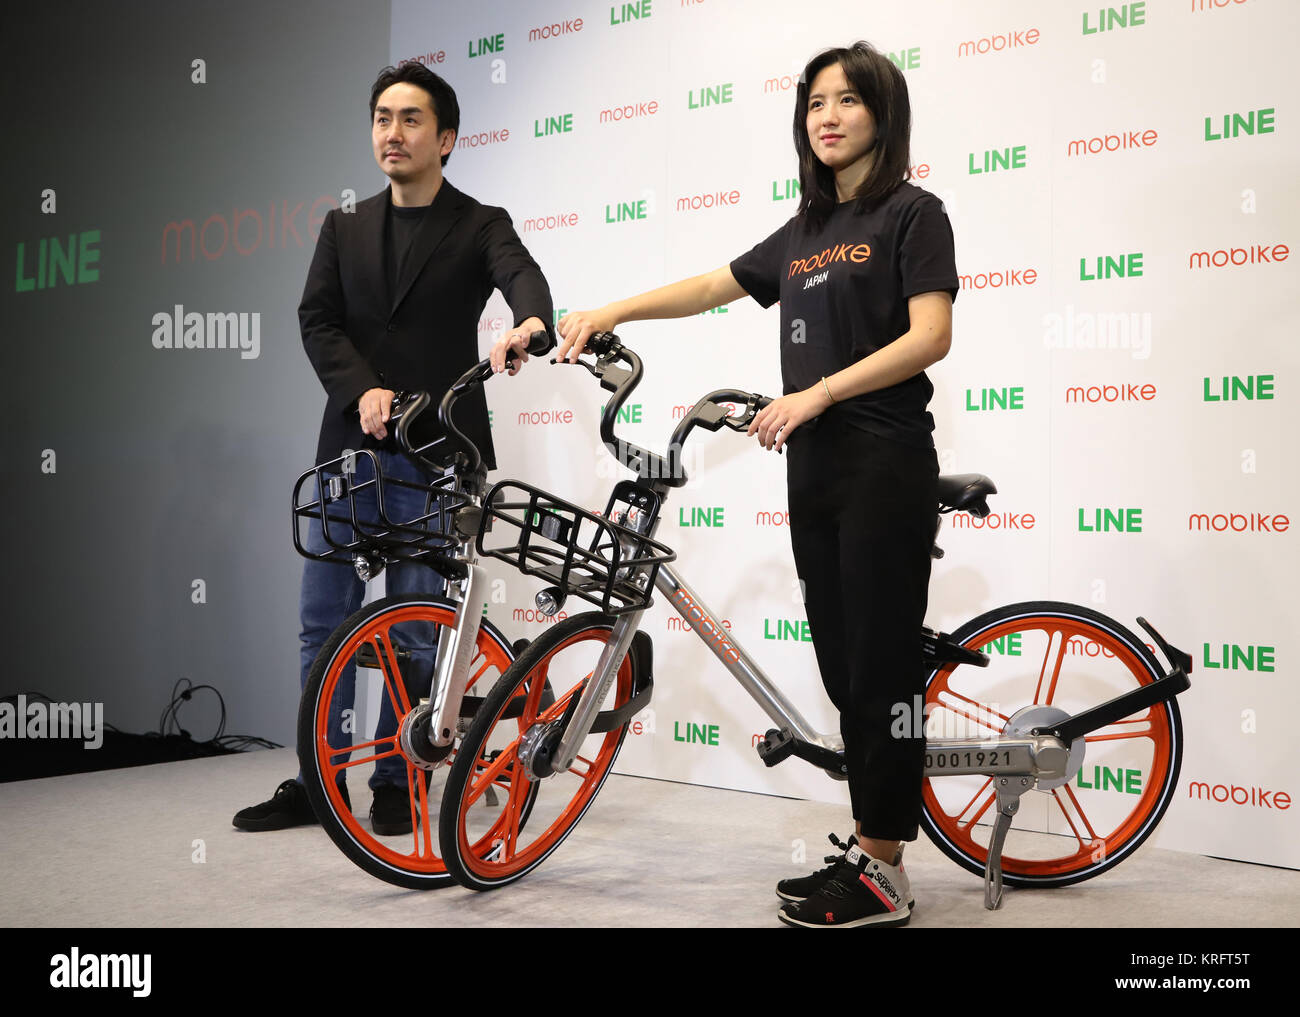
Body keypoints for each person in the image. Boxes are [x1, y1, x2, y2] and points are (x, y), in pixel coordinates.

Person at [539, 41, 956, 928]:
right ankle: (868, 839)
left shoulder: (913, 215)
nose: (827, 116)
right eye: (813, 104)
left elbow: (930, 337)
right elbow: (708, 286)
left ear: (884, 112)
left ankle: (885, 871)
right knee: (846, 670)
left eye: (846, 100)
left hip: (884, 463)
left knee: (880, 668)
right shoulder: (803, 232)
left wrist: (818, 393)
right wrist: (611, 309)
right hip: (815, 470)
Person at [234, 62, 553, 834]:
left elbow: (525, 278)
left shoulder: (480, 223)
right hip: (352, 446)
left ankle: (396, 776)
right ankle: (318, 780)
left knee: (413, 624)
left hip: (438, 452)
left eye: (411, 119)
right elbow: (319, 321)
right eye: (382, 117)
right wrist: (362, 388)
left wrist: (530, 323)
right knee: (326, 622)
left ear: (445, 138)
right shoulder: (343, 227)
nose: (393, 132)